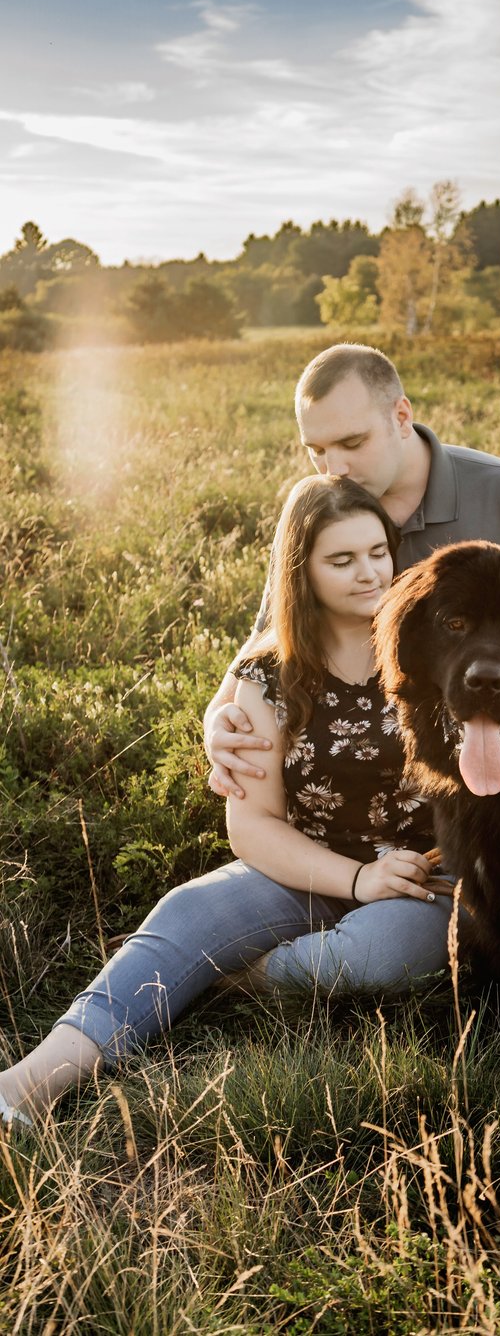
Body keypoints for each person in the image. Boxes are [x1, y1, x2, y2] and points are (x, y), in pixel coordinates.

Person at [0, 476, 454, 1128]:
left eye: (378, 552)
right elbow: (252, 826)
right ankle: (26, 1086)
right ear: (301, 572)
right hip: (307, 865)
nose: (369, 573)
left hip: (423, 876)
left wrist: (389, 879)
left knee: (374, 959)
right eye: (342, 560)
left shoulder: (435, 647)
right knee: (187, 911)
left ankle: (245, 975)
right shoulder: (268, 673)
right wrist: (355, 877)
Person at [205, 341, 500, 798]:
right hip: (367, 771)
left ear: (401, 417)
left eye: (352, 442)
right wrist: (216, 716)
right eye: (317, 450)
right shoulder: (323, 511)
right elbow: (273, 631)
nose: (336, 468)